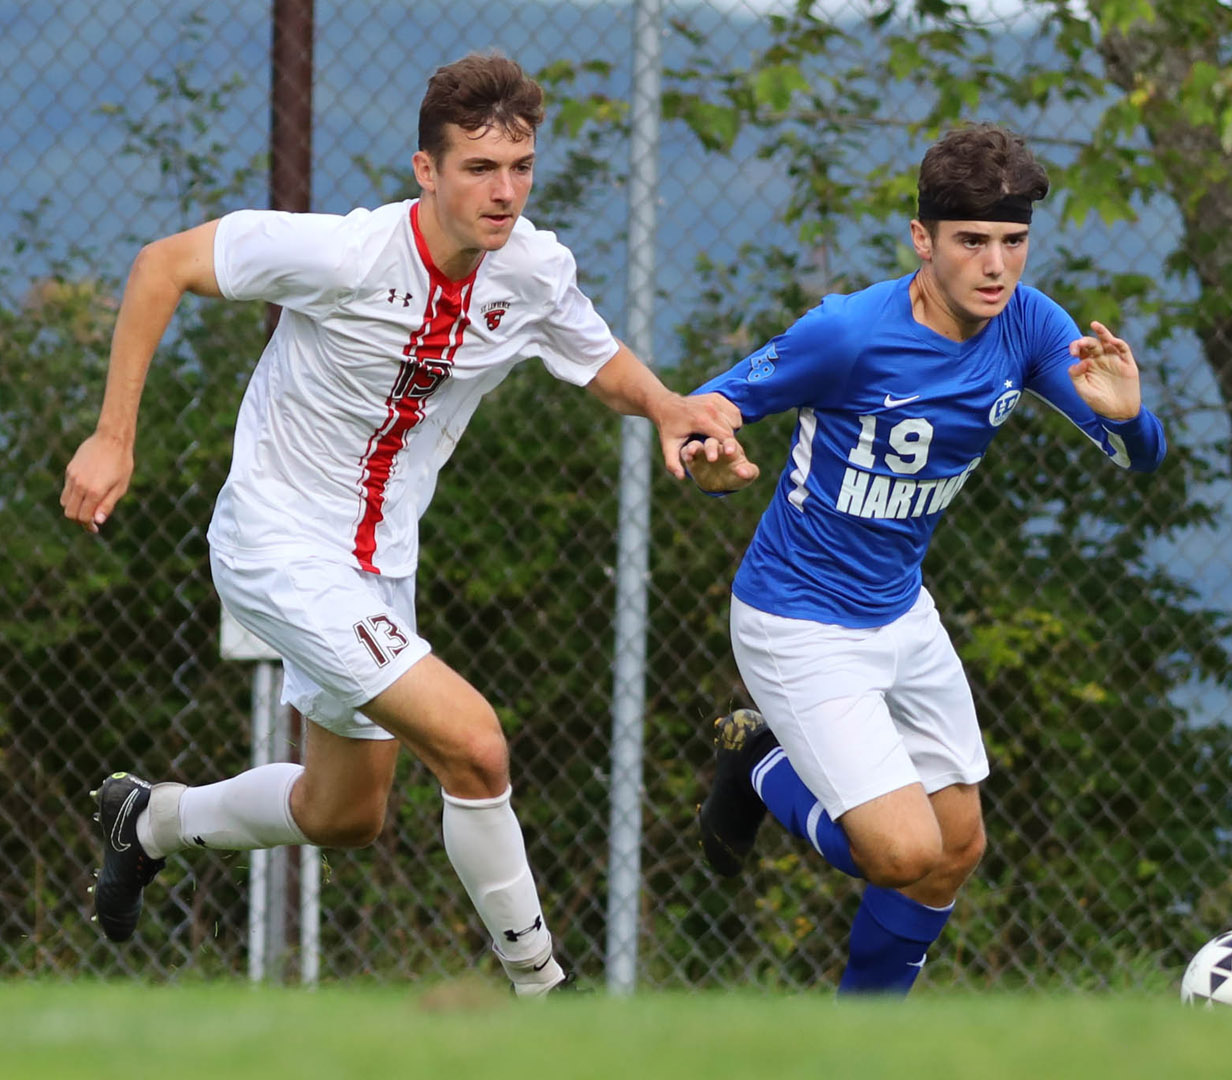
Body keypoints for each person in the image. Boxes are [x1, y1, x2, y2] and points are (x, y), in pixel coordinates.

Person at [60, 52, 746, 996]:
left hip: (379, 564)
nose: (504, 193)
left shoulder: (532, 272)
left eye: (520, 168)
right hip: (274, 542)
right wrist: (111, 437)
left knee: (342, 813)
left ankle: (151, 821)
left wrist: (670, 407)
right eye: (478, 168)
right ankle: (548, 994)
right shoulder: (347, 254)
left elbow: (595, 359)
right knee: (473, 742)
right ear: (427, 171)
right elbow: (162, 265)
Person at [681, 123, 1166, 995]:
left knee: (958, 849)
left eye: (1013, 242)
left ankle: (865, 1040)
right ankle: (758, 762)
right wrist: (712, 464)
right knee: (902, 853)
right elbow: (704, 411)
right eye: (971, 241)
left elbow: (1137, 461)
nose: (995, 265)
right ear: (923, 239)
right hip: (797, 620)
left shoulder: (1027, 325)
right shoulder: (847, 335)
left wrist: (1130, 420)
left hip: (902, 611)